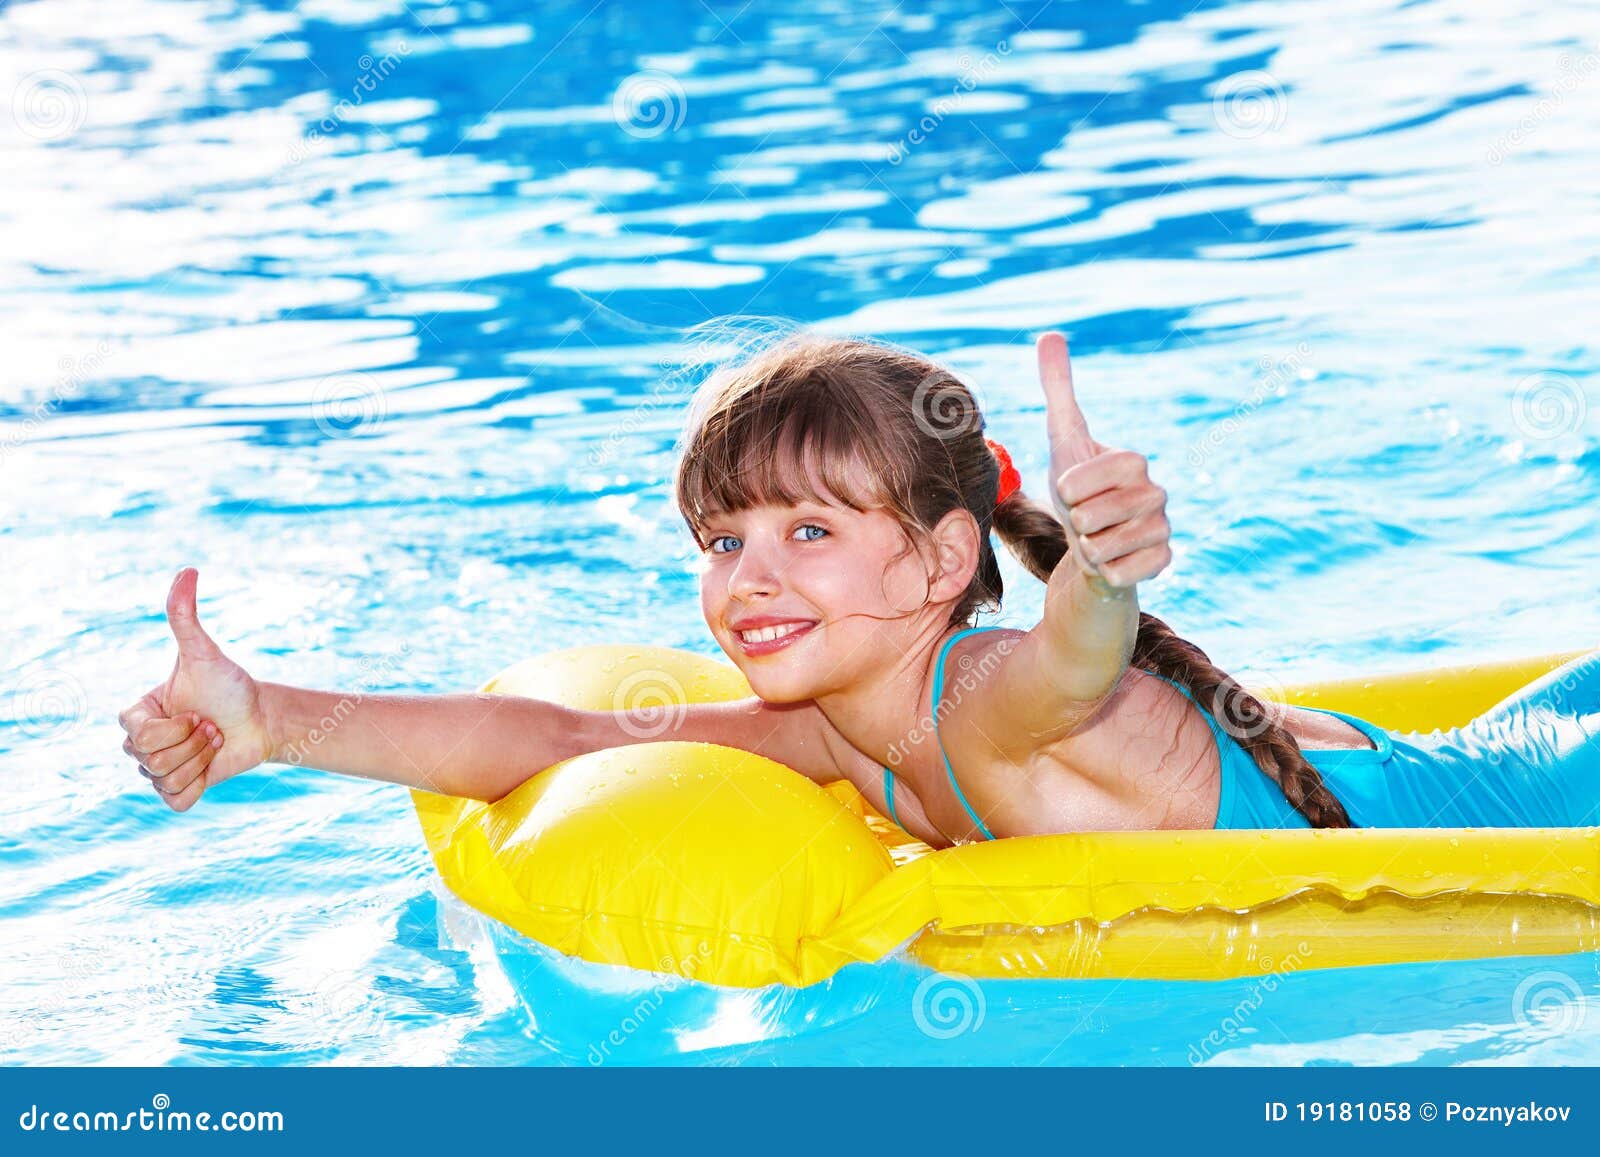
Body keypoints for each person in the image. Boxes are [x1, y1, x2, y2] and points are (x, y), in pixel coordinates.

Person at [118, 333, 1600, 847]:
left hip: (1533, 796)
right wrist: (272, 721)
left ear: (946, 563)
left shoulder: (983, 699)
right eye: (723, 541)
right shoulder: (842, 723)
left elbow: (1073, 660)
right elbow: (561, 747)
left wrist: (1101, 559)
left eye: (807, 534)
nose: (748, 577)